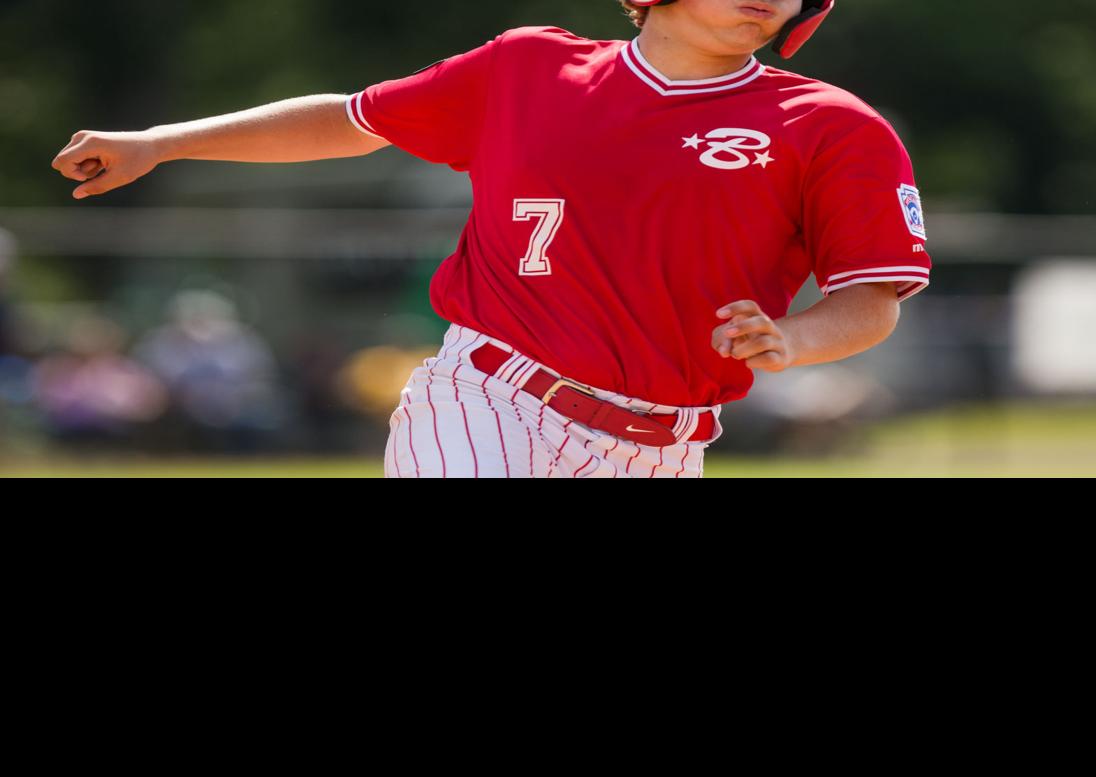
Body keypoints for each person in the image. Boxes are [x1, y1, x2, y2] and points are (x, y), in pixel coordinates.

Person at [50, 0, 933, 478]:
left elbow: (870, 300)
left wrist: (797, 339)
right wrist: (160, 142)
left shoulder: (829, 126)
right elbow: (349, 120)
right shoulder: (528, 68)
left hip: (668, 444)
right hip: (494, 401)